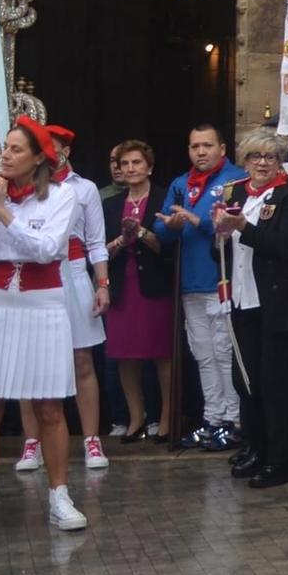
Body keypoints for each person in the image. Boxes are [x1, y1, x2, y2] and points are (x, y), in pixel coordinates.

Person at [0, 119, 86, 542]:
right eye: (4, 148)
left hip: (42, 304)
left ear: (38, 158)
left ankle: (60, 494)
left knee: (49, 407)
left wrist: (5, 213)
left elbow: (48, 249)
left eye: (15, 149)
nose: (5, 156)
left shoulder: (64, 197)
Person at [214, 128, 288, 489]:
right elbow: (223, 252)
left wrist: (243, 226)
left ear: (279, 162)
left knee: (277, 385)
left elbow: (287, 246)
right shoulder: (236, 193)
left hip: (278, 303)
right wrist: (220, 233)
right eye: (255, 157)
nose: (262, 163)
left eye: (269, 157)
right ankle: (256, 447)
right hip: (242, 299)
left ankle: (281, 458)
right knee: (247, 380)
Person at [10, 124, 110, 474]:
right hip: (34, 275)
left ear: (65, 150)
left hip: (73, 271)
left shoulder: (83, 189)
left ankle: (91, 439)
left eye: (55, 147)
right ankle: (32, 441)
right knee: (29, 361)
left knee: (82, 359)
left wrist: (102, 284)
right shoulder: (23, 188)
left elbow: (96, 241)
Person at [156, 124, 246, 449]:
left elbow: (236, 223)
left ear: (222, 148)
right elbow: (161, 227)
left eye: (207, 145)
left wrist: (198, 221)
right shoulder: (181, 184)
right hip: (190, 283)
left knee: (224, 353)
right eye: (195, 146)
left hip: (221, 280)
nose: (201, 152)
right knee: (203, 354)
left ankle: (234, 422)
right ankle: (213, 418)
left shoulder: (236, 180)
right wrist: (171, 225)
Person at [101, 140, 176, 442]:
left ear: (149, 167)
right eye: (125, 164)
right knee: (125, 354)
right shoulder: (109, 205)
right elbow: (101, 251)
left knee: (161, 354)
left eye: (137, 163)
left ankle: (167, 418)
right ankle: (136, 418)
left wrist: (142, 232)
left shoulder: (163, 199)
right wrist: (122, 239)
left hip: (155, 285)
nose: (131, 169)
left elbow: (167, 246)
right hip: (123, 284)